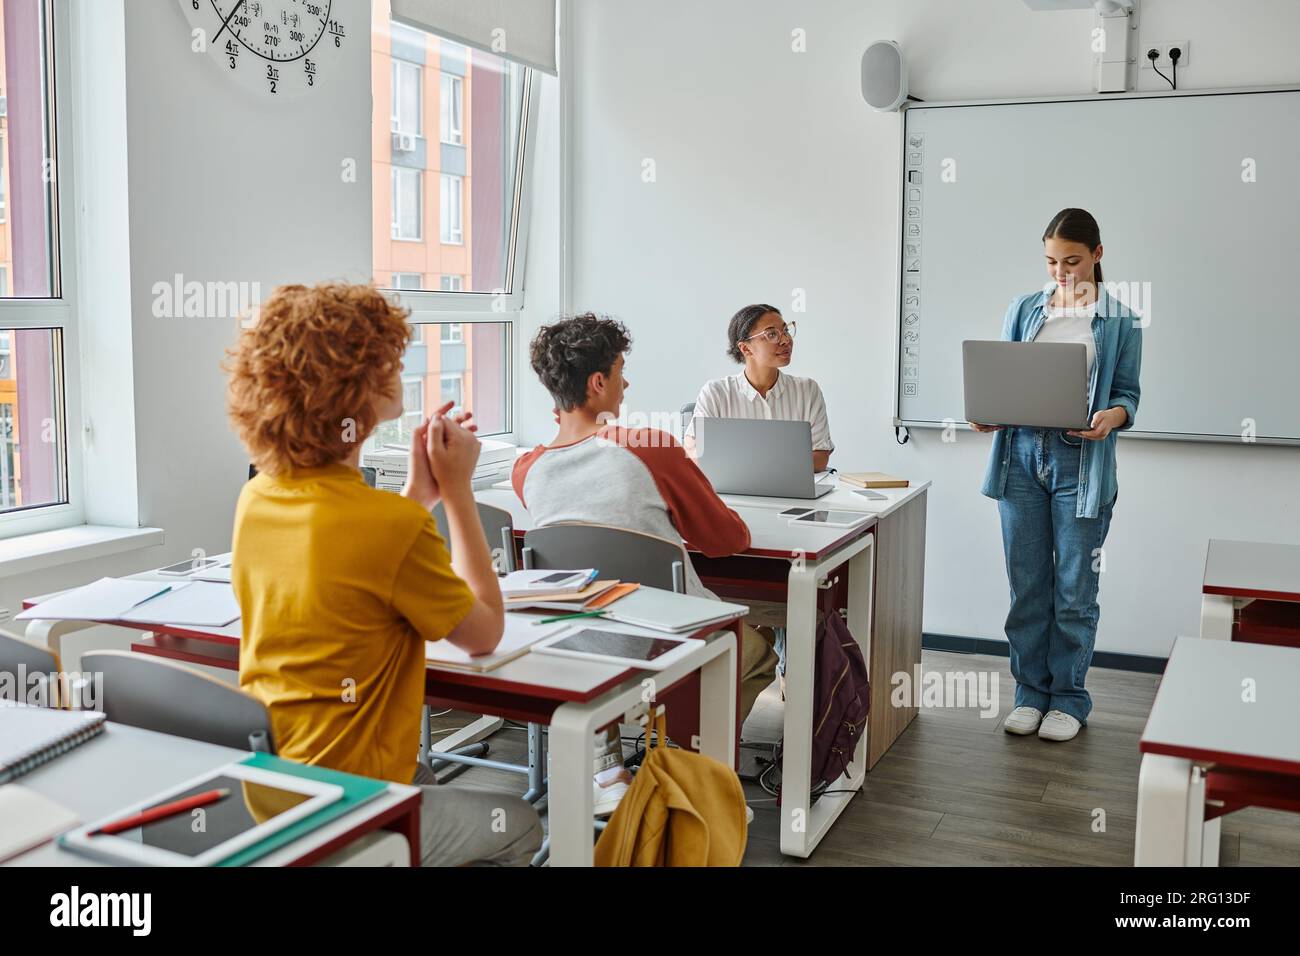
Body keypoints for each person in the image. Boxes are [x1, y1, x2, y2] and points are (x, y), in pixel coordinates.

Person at [227, 282, 542, 865]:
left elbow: (356, 547)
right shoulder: (387, 526)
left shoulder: (258, 498)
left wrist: (418, 495)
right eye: (390, 362)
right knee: (518, 822)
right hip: (348, 804)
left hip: (274, 783)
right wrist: (458, 493)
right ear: (361, 391)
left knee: (428, 777)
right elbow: (484, 634)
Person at [514, 313, 779, 815]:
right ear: (598, 383)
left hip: (575, 641)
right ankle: (698, 768)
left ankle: (609, 768)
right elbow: (725, 540)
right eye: (619, 371)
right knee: (759, 650)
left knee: (605, 623)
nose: (626, 381)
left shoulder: (527, 469)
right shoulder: (649, 447)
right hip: (667, 643)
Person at [971, 208, 1142, 742]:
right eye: (1051, 261)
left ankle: (1068, 698)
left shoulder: (1120, 319)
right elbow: (1004, 377)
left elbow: (1128, 396)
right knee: (1027, 587)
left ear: (1097, 253)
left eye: (1072, 260)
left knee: (1073, 590)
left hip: (1080, 462)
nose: (1061, 272)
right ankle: (1029, 695)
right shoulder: (1023, 309)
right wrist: (987, 409)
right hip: (1020, 453)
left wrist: (1112, 416)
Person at [688, 303, 834, 472]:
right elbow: (693, 451)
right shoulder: (716, 392)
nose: (786, 340)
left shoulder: (807, 390)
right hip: (732, 495)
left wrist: (755, 468)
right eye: (772, 334)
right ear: (745, 348)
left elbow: (820, 457)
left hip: (790, 495)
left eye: (786, 330)